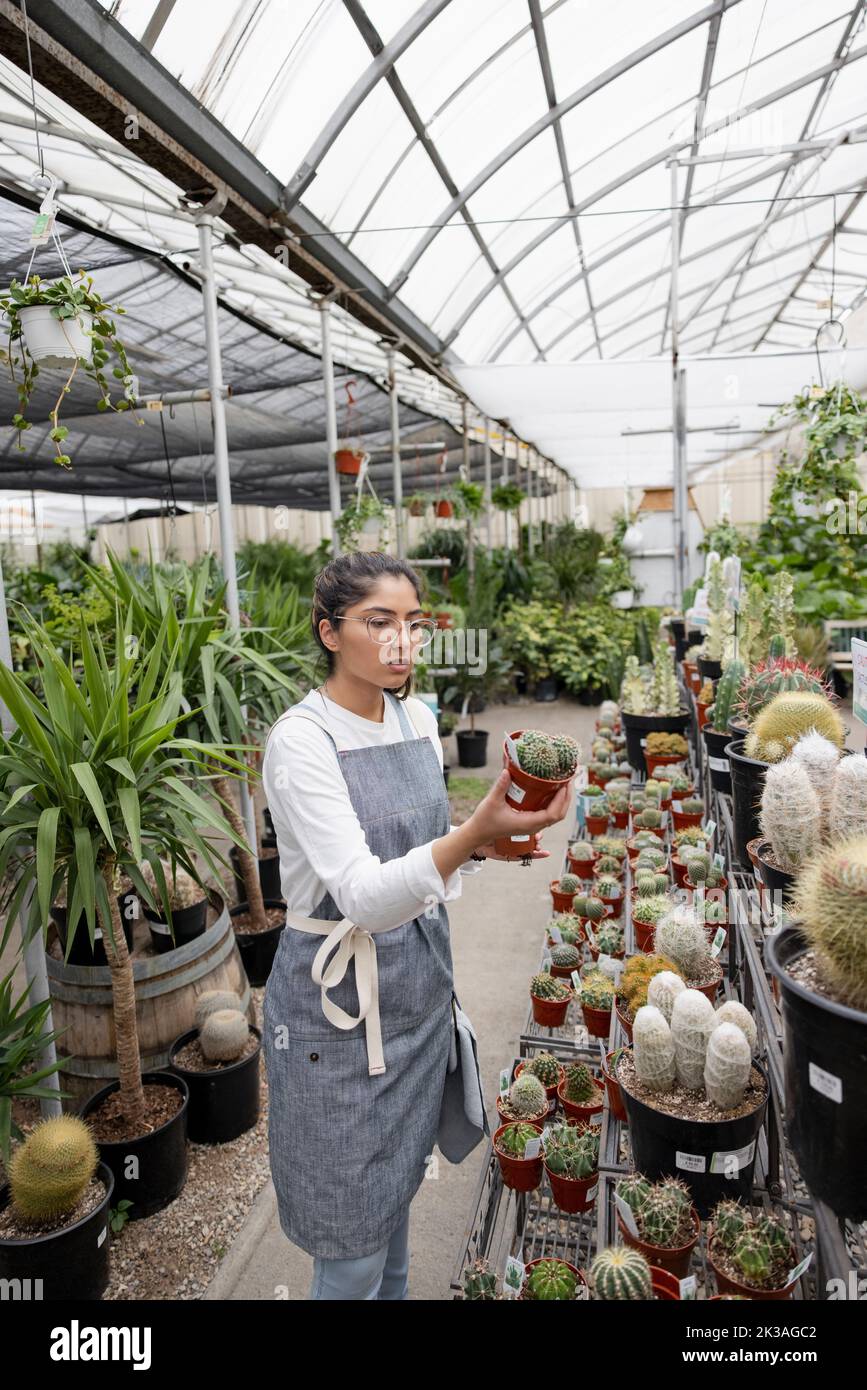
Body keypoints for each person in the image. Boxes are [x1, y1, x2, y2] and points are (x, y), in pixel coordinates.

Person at [261, 551, 572, 1300]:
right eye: (378, 623)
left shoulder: (416, 717)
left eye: (413, 624)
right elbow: (365, 896)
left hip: (418, 993)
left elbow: (424, 868)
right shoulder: (301, 741)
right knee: (352, 1246)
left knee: (397, 1203)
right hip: (338, 1019)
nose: (401, 642)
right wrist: (468, 836)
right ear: (328, 631)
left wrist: (485, 845)